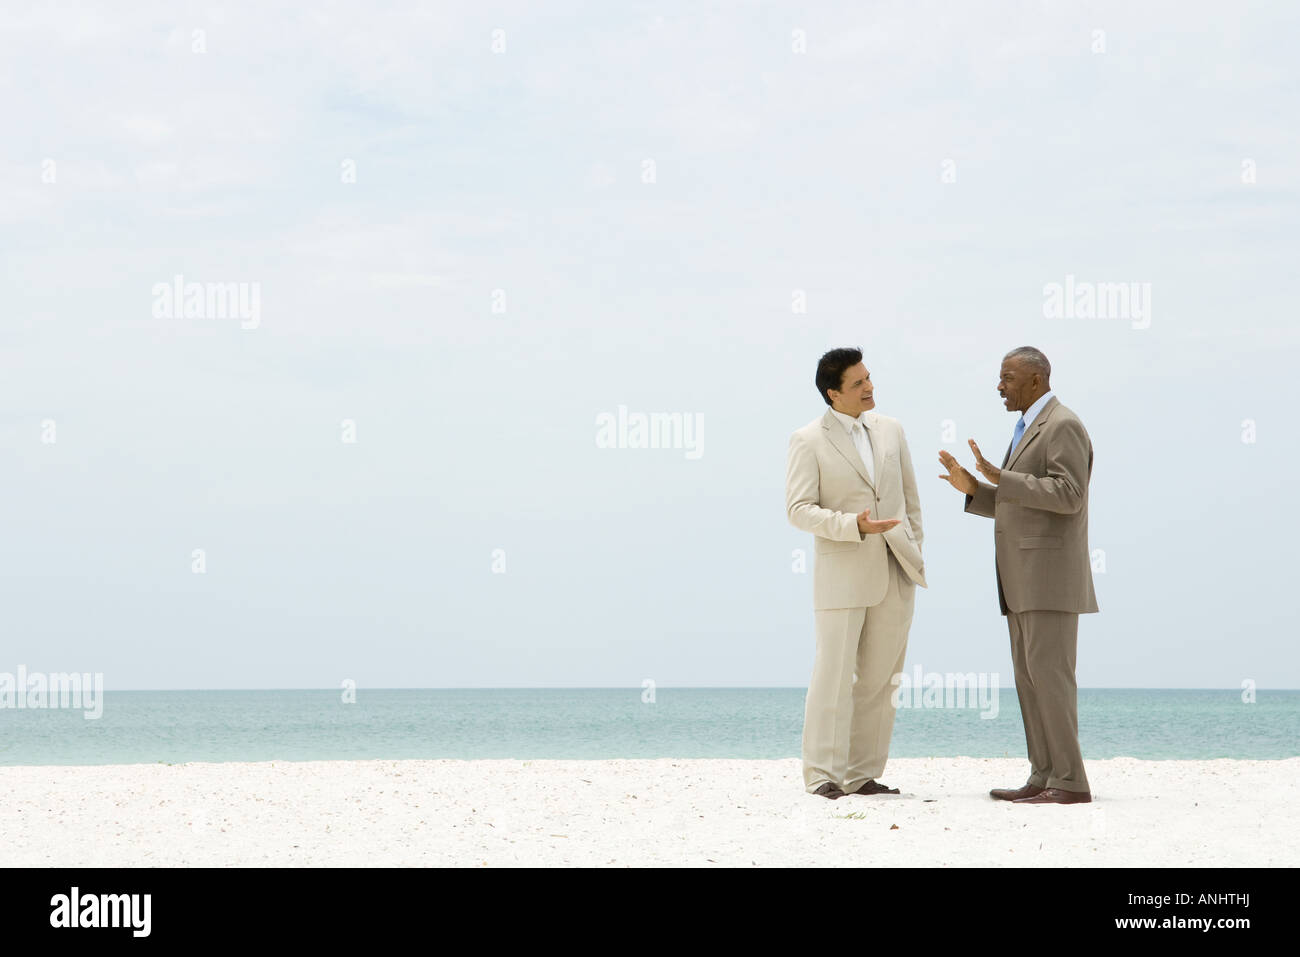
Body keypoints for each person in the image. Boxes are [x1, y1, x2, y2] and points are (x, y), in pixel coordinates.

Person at [937, 346, 1097, 804]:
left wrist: (1001, 478)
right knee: (1031, 681)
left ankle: (1070, 782)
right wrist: (975, 489)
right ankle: (1044, 774)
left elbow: (1069, 495)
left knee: (1051, 679)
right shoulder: (1027, 426)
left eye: (1008, 377)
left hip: (1049, 578)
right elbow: (1024, 500)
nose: (1000, 385)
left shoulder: (1062, 424)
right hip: (1021, 579)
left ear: (1036, 379)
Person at [786, 348, 927, 799]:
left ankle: (862, 775)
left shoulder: (892, 430)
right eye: (858, 383)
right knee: (834, 674)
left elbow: (910, 498)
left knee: (881, 679)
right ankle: (822, 776)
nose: (869, 388)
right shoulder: (807, 439)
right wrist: (854, 527)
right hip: (843, 572)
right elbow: (799, 510)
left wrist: (914, 549)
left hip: (896, 569)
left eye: (869, 378)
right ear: (833, 394)